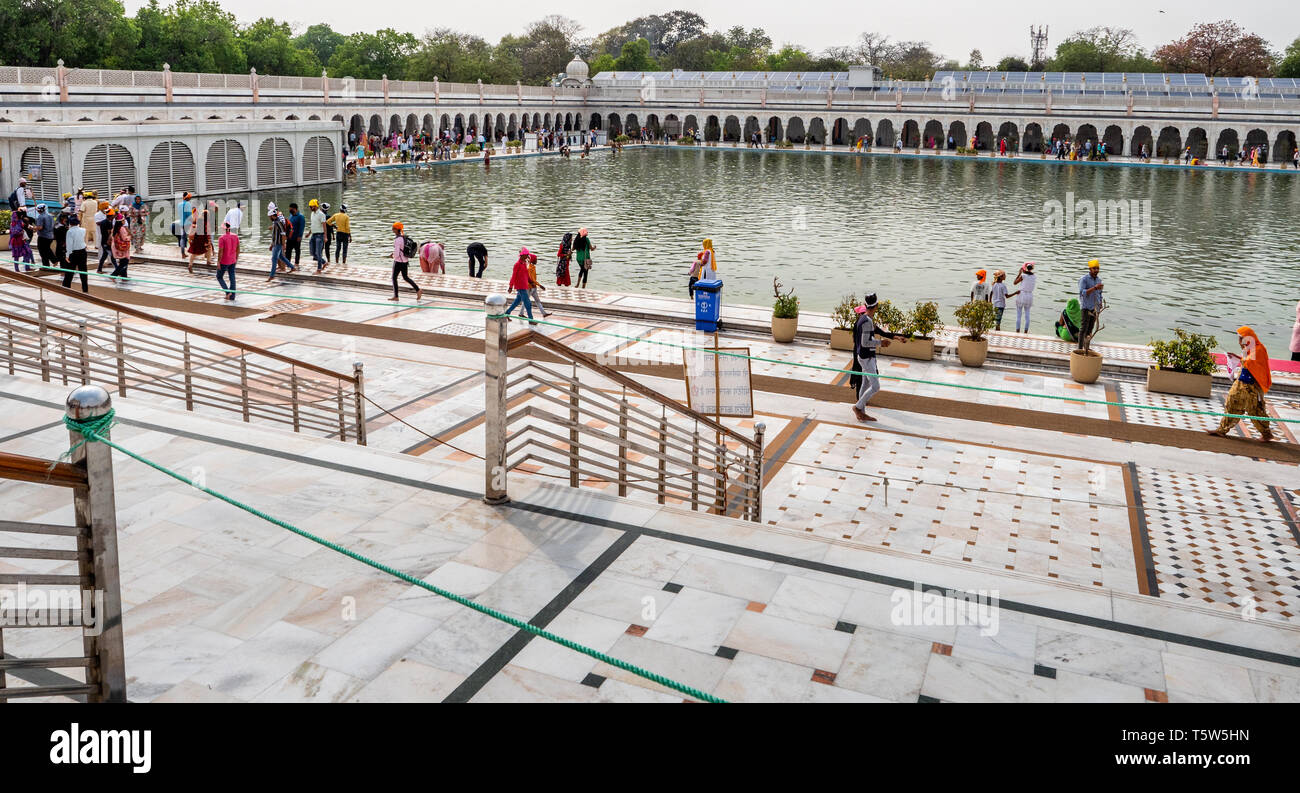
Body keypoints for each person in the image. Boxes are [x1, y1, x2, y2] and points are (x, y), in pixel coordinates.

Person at [1207, 327, 1275, 442]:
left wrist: (1241, 357)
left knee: (1255, 410)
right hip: (1241, 383)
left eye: (1241, 339)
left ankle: (1266, 433)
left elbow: (1251, 363)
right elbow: (1246, 360)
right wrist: (1236, 356)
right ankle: (1222, 429)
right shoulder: (1248, 349)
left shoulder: (1259, 350)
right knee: (1232, 402)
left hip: (1252, 386)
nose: (1239, 342)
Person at [850, 293, 903, 423]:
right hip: (867, 357)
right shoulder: (867, 321)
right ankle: (857, 408)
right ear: (877, 305)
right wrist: (881, 343)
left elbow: (864, 340)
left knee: (865, 383)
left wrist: (891, 338)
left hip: (863, 356)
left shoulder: (863, 319)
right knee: (875, 386)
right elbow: (865, 342)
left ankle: (861, 412)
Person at [389, 222, 422, 301]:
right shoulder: (404, 238)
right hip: (405, 261)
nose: (392, 229)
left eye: (393, 228)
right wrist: (394, 253)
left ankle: (396, 296)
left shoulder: (397, 240)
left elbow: (397, 253)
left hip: (398, 262)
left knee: (394, 278)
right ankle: (418, 290)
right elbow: (402, 250)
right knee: (406, 277)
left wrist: (393, 256)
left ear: (397, 229)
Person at [503, 247, 536, 322]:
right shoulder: (517, 264)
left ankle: (507, 313)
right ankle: (531, 320)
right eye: (526, 255)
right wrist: (510, 286)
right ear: (522, 255)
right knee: (528, 303)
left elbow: (526, 275)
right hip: (520, 287)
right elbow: (513, 276)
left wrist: (531, 282)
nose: (528, 256)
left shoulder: (524, 263)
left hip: (524, 286)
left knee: (517, 302)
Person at [1077, 258, 1104, 350]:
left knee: (1090, 329)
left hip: (1095, 307)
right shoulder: (1084, 279)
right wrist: (1095, 288)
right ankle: (1080, 348)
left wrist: (1100, 303)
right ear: (1090, 269)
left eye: (1097, 268)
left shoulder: (1099, 280)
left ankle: (1086, 347)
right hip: (1086, 307)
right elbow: (1082, 293)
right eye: (1094, 268)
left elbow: (1100, 293)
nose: (1096, 270)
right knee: (1083, 328)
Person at [267, 206, 296, 280]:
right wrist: (271, 244)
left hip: (278, 244)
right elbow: (274, 235)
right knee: (281, 257)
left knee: (274, 259)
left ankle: (272, 276)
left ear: (273, 216)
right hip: (275, 243)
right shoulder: (275, 222)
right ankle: (292, 267)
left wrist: (284, 244)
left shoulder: (278, 222)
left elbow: (283, 233)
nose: (269, 218)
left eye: (270, 216)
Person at [62, 215, 88, 292]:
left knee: (70, 271)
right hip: (83, 251)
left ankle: (66, 287)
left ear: (70, 223)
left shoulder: (70, 231)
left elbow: (69, 245)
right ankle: (85, 288)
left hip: (73, 253)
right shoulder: (83, 230)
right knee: (83, 271)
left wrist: (67, 255)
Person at [187, 203, 213, 272]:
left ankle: (190, 265)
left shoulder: (197, 220)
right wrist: (209, 240)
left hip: (196, 238)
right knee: (209, 248)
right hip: (203, 239)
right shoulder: (206, 222)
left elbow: (193, 226)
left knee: (194, 253)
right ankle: (208, 261)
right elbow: (207, 232)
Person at [216, 222, 239, 301]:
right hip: (233, 260)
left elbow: (221, 251)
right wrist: (236, 258)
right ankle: (232, 296)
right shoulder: (235, 236)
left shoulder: (222, 238)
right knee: (232, 277)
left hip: (224, 261)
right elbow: (238, 248)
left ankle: (227, 292)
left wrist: (218, 261)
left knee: (219, 277)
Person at [1013, 262, 1037, 333]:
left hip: (1021, 295)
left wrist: (1019, 273)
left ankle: (1017, 331)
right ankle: (1025, 331)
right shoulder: (1034, 276)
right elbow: (1029, 275)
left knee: (1019, 315)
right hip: (1029, 296)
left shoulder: (1023, 276)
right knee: (1027, 314)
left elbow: (1014, 283)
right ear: (1032, 268)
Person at [526, 251, 551, 317]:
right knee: (526, 301)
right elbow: (532, 279)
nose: (537, 261)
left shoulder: (532, 267)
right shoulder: (530, 268)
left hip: (533, 287)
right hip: (530, 287)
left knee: (537, 300)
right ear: (533, 260)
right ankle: (521, 313)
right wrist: (540, 285)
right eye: (536, 260)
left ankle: (544, 313)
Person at [109, 216, 131, 281]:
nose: (124, 221)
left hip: (116, 247)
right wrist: (130, 236)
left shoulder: (114, 228)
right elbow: (125, 238)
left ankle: (124, 277)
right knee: (124, 262)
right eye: (123, 220)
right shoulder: (122, 229)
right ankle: (113, 275)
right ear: (121, 221)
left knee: (122, 261)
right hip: (122, 247)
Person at [308, 199, 327, 271]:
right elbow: (313, 224)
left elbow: (324, 226)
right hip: (313, 235)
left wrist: (325, 237)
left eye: (311, 207)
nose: (310, 208)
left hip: (320, 235)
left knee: (318, 253)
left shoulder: (321, 214)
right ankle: (324, 262)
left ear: (315, 206)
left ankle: (319, 269)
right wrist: (309, 233)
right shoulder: (312, 214)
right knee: (312, 252)